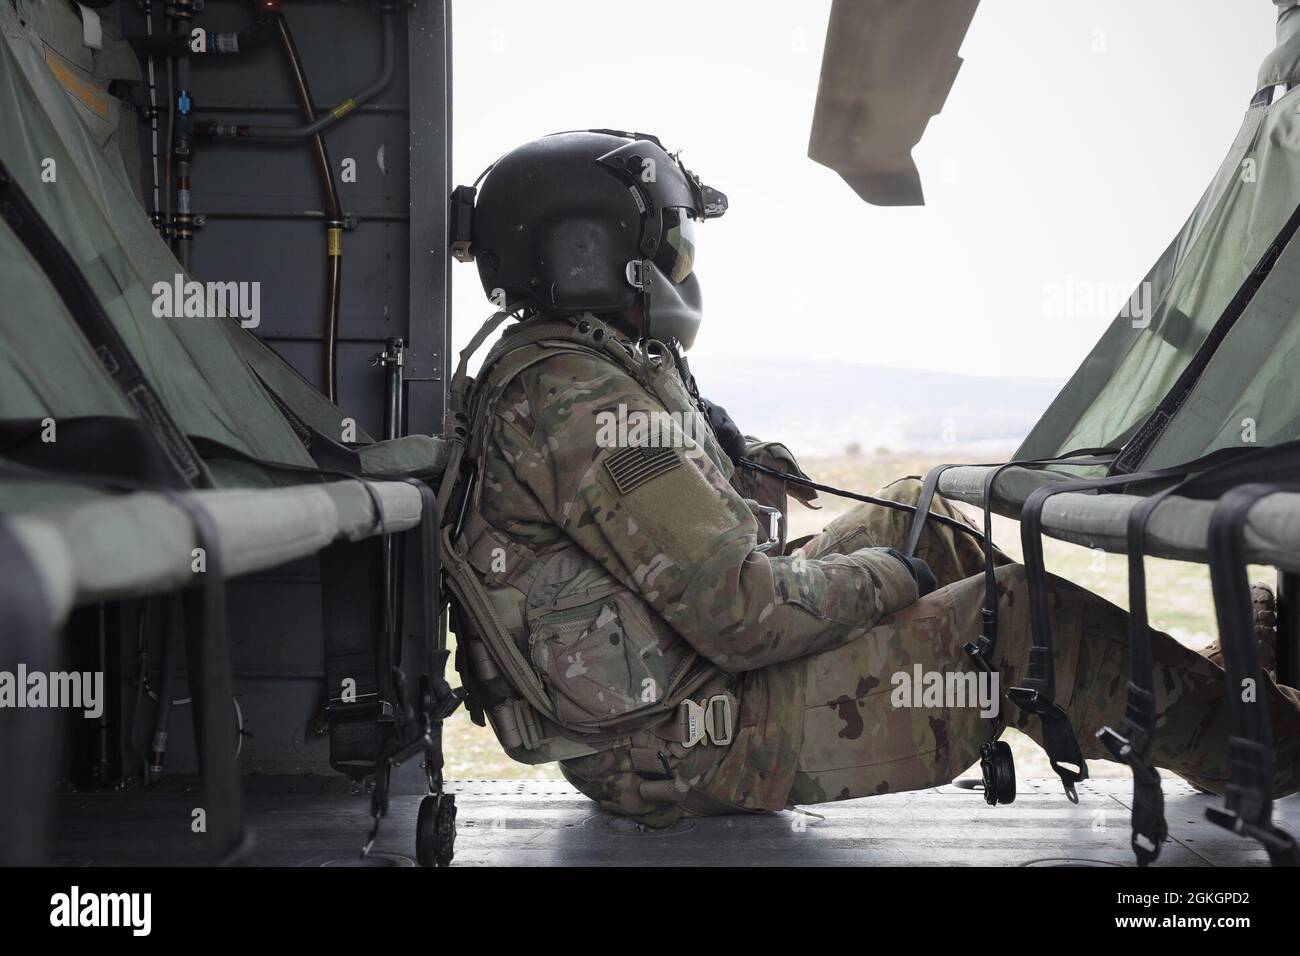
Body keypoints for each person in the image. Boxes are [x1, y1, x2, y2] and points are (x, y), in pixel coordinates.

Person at [439, 129, 1300, 828]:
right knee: (1022, 617)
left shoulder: (563, 368)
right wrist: (893, 583)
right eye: (668, 242)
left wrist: (765, 484)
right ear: (595, 253)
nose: (682, 265)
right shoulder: (577, 398)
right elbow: (743, 614)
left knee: (909, 514)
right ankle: (1269, 740)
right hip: (689, 742)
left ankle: (1196, 701)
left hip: (674, 700)